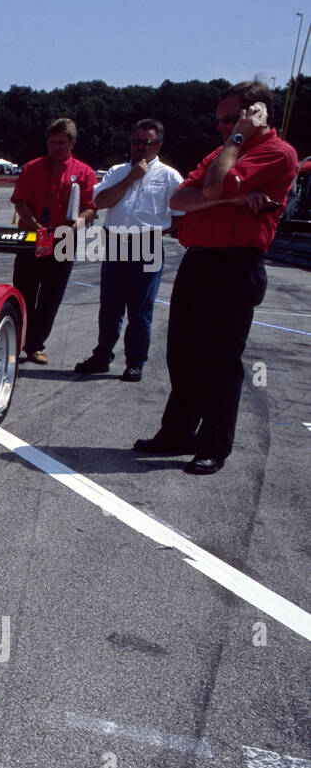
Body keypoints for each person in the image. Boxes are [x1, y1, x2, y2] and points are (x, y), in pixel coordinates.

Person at [134, 81, 298, 474]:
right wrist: (231, 198)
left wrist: (231, 161)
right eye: (221, 120)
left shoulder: (277, 152)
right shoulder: (222, 152)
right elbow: (177, 200)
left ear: (257, 114)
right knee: (182, 354)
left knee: (220, 361)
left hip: (235, 266)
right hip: (199, 261)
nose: (224, 128)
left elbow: (213, 185)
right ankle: (177, 433)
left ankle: (214, 444)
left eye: (231, 119)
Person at [73, 119, 182, 381]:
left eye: (147, 143)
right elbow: (100, 201)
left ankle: (135, 361)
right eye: (136, 142)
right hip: (114, 242)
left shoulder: (170, 176)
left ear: (159, 145)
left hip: (147, 244)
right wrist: (131, 178)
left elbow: (179, 215)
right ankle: (102, 356)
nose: (140, 148)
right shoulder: (116, 172)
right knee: (109, 305)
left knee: (140, 308)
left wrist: (153, 233)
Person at [9, 118, 97, 364]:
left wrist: (75, 226)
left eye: (61, 142)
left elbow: (91, 209)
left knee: (51, 297)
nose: (55, 147)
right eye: (51, 142)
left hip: (64, 240)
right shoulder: (31, 168)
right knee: (23, 293)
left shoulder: (84, 172)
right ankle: (15, 342)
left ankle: (35, 345)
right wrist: (36, 227)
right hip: (31, 237)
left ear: (72, 143)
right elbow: (20, 201)